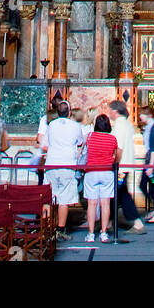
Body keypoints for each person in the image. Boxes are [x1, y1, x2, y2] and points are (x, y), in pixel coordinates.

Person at [42, 98, 84, 240]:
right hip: (67, 164)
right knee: (63, 199)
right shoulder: (75, 126)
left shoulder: (51, 125)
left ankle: (46, 228)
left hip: (51, 163)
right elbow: (79, 142)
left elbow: (45, 143)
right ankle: (60, 229)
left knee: (49, 197)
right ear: (69, 112)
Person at [108, 99, 144, 233]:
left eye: (110, 110)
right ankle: (109, 222)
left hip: (120, 166)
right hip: (125, 164)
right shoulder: (127, 124)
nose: (109, 113)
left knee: (122, 194)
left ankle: (137, 222)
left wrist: (115, 163)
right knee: (116, 193)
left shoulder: (119, 125)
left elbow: (118, 147)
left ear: (115, 111)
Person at [84, 113, 118, 244]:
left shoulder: (90, 137)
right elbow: (114, 155)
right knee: (105, 204)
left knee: (92, 204)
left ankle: (91, 233)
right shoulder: (112, 139)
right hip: (107, 172)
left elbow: (84, 151)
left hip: (91, 172)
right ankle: (103, 233)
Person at [139, 107, 154, 223]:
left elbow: (153, 148)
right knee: (144, 184)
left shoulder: (153, 128)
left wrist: (151, 166)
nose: (139, 117)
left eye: (141, 114)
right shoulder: (149, 128)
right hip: (150, 160)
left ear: (147, 115)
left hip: (153, 161)